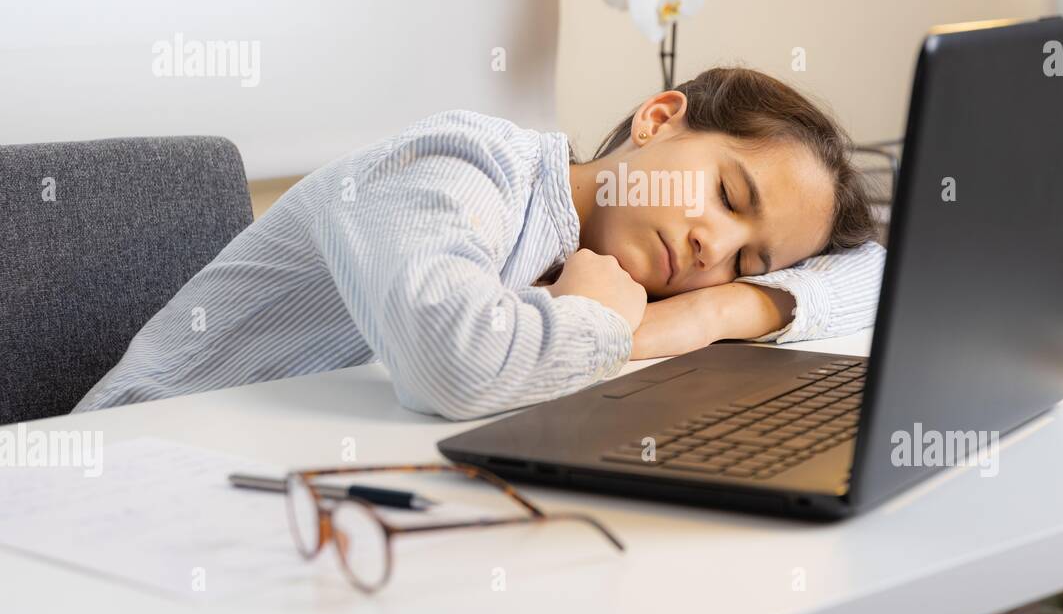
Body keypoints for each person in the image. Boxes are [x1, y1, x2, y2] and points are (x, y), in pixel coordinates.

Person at [74, 67, 886, 419]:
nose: (715, 246)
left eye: (750, 259)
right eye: (727, 194)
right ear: (658, 120)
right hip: (138, 466)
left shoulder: (613, 278)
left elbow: (876, 272)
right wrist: (600, 323)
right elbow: (451, 361)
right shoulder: (471, 162)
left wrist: (717, 314)